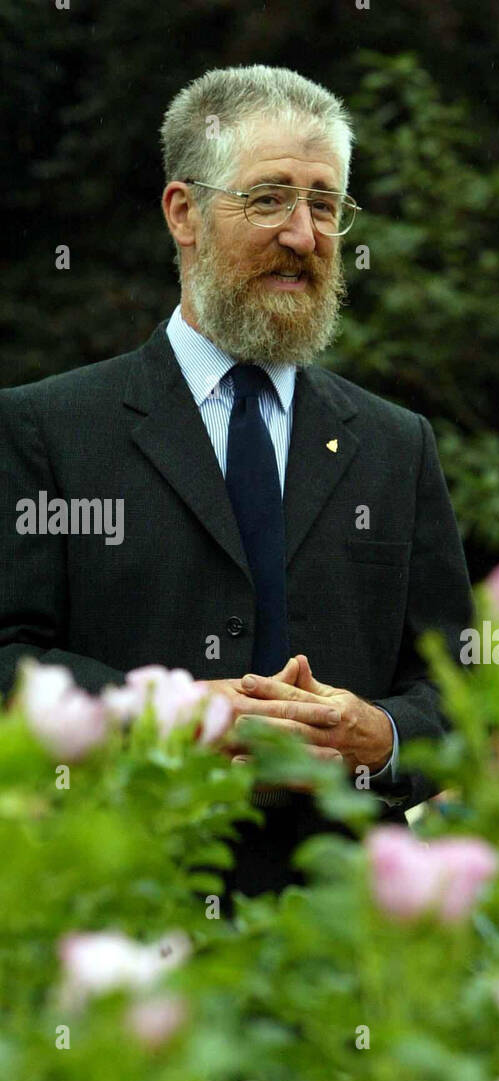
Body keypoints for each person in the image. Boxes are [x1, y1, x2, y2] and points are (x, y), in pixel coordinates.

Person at [0, 65, 473, 896]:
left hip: (340, 931)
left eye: (324, 205)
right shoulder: (47, 429)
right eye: (268, 199)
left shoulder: (397, 446)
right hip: (114, 913)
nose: (303, 235)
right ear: (182, 212)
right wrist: (167, 714)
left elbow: (460, 692)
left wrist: (382, 735)